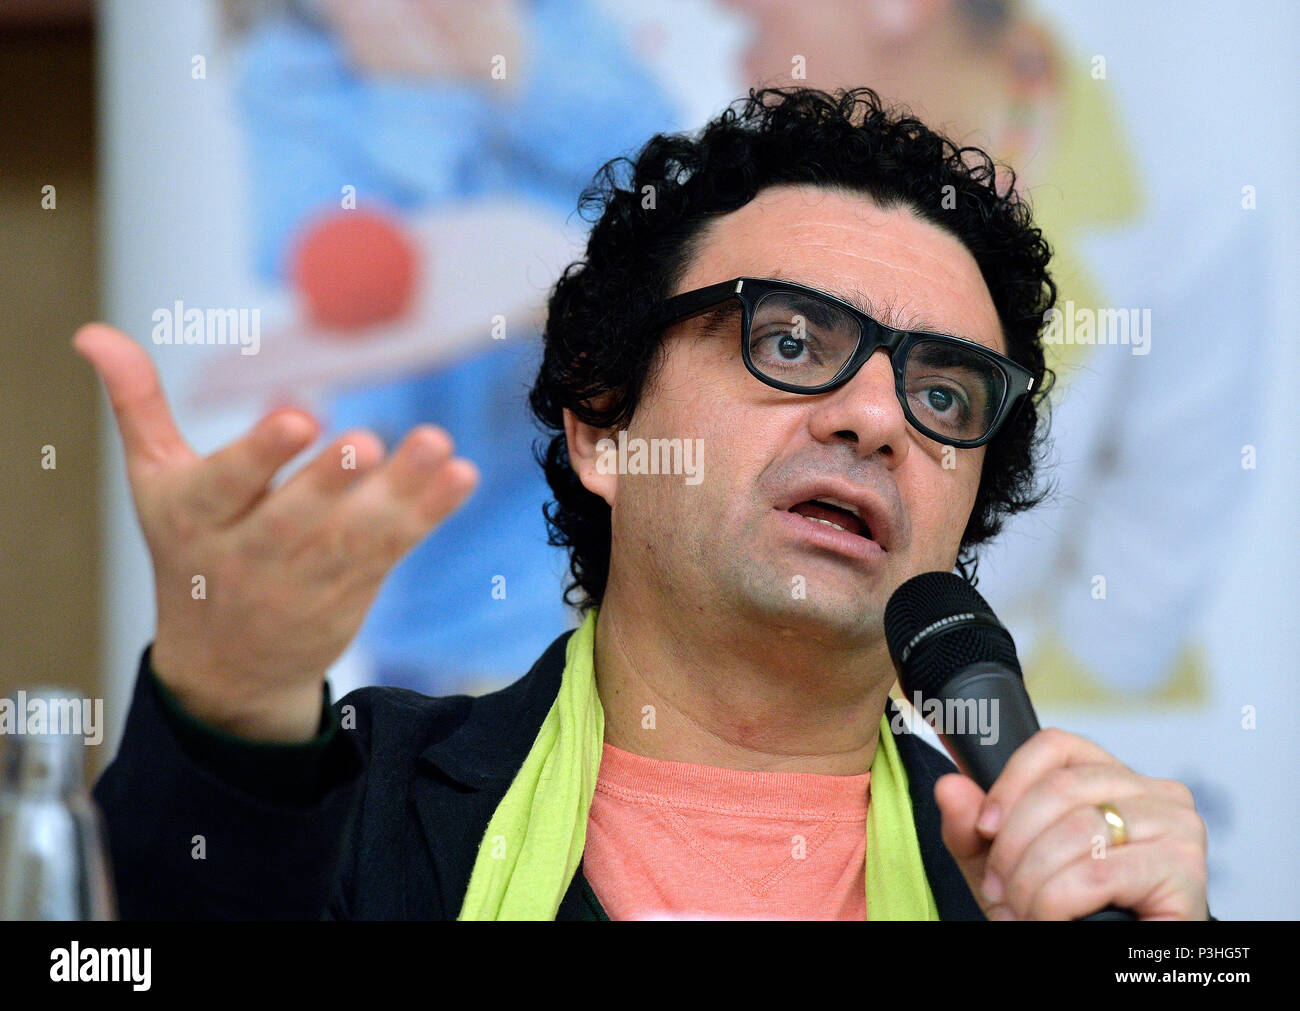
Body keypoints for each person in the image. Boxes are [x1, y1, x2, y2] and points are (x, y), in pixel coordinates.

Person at [81, 87, 1208, 920]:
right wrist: (223, 712)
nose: (875, 419)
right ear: (603, 426)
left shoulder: (1044, 884)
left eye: (943, 392)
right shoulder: (353, 804)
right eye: (787, 341)